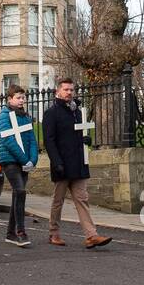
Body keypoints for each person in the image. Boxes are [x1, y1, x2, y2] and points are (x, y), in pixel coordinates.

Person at [42, 77, 111, 249]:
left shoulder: (78, 112)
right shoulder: (52, 113)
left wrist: (85, 139)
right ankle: (54, 233)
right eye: (66, 89)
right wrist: (56, 162)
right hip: (62, 164)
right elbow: (49, 141)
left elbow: (77, 134)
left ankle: (91, 235)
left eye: (72, 90)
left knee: (82, 199)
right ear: (58, 91)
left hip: (78, 163)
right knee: (58, 201)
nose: (69, 92)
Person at [0, 85, 38, 247]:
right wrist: (23, 160)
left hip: (25, 161)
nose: (22, 100)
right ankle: (21, 231)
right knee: (20, 191)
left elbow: (32, 139)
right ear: (10, 99)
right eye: (18, 97)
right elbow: (8, 140)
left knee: (17, 195)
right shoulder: (4, 116)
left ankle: (10, 233)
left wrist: (32, 160)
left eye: (23, 97)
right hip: (11, 161)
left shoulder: (25, 117)